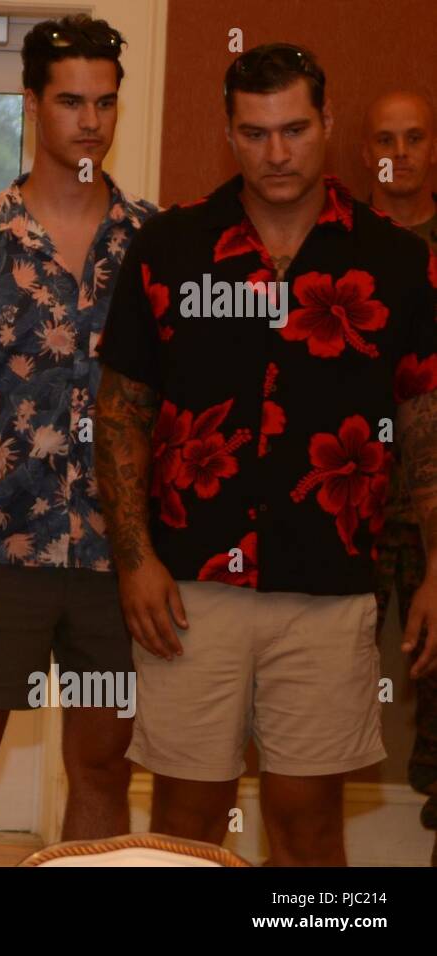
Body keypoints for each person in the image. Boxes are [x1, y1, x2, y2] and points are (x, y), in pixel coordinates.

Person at [94, 44, 437, 866]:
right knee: (185, 813)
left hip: (331, 578)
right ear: (229, 134)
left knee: (308, 817)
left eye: (293, 129)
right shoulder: (170, 248)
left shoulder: (395, 261)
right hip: (188, 584)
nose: (276, 153)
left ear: (325, 127)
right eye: (255, 133)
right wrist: (135, 559)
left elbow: (424, 421)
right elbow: (120, 413)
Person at [0, 14, 155, 865]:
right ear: (32, 104)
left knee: (103, 763)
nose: (88, 121)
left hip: (117, 563)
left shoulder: (156, 245)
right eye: (69, 102)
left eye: (103, 102)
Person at [362, 89, 437, 864]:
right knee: (327, 665)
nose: (402, 152)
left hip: (435, 492)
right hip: (354, 488)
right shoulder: (343, 241)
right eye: (386, 138)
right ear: (365, 153)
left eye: (415, 137)